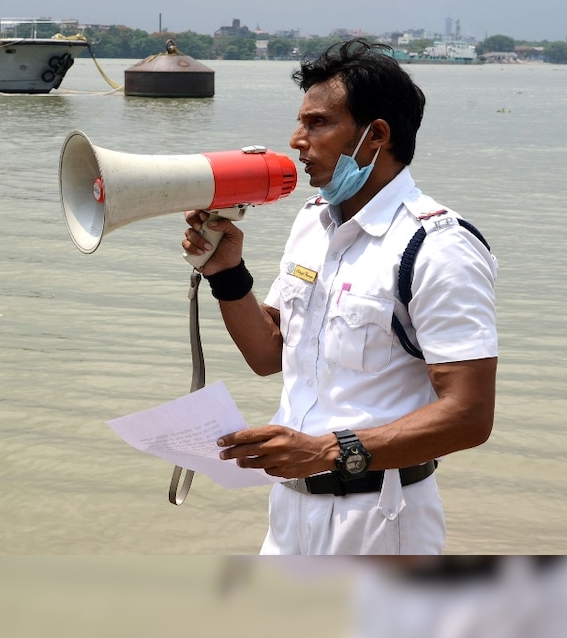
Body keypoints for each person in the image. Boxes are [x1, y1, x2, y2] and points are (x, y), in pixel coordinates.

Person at [182, 38, 498, 555]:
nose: (297, 139)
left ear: (375, 136)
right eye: (301, 122)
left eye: (318, 123)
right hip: (289, 513)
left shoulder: (438, 246)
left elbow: (469, 413)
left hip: (380, 518)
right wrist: (228, 274)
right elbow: (268, 355)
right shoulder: (313, 222)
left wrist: (327, 450)